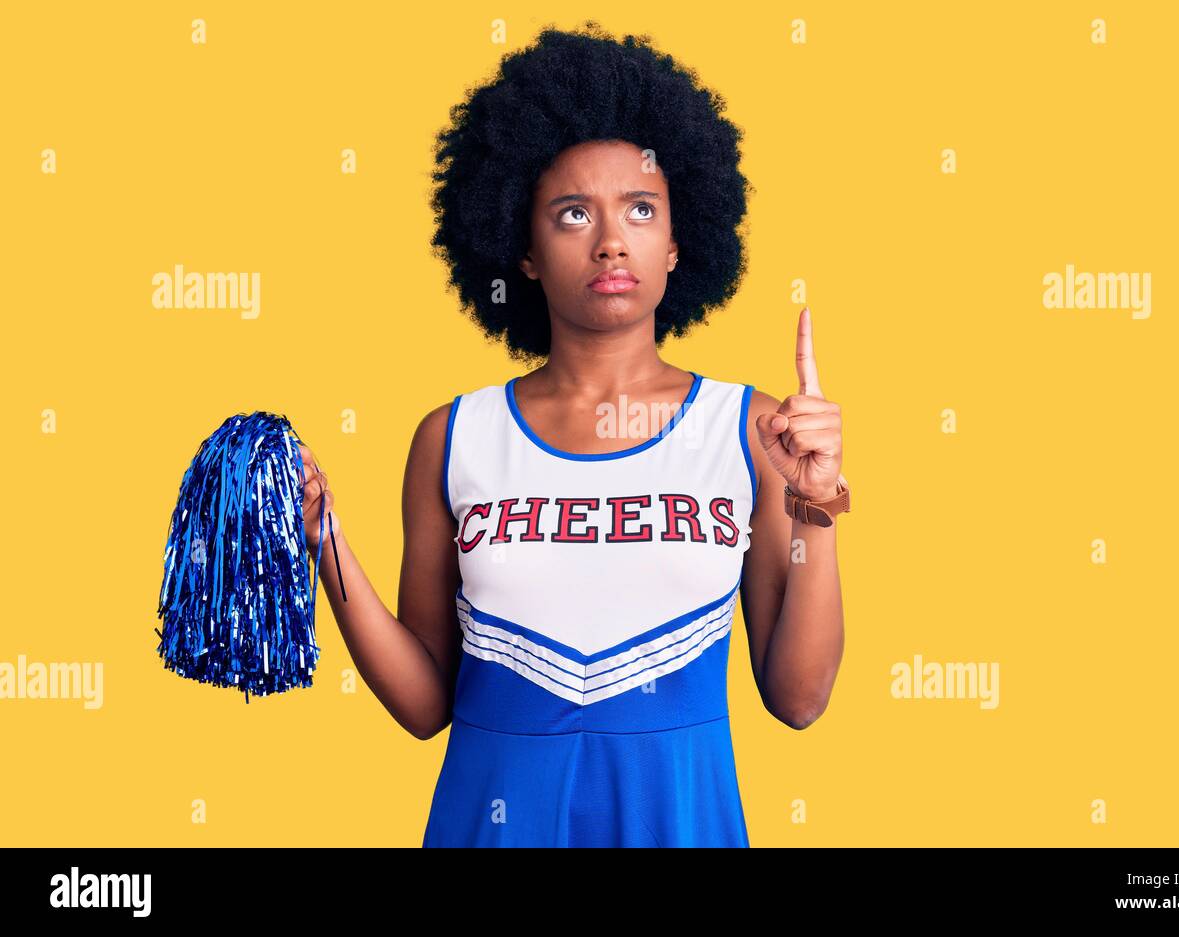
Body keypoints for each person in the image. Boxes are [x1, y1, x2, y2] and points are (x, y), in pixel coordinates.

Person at [296, 22, 848, 847]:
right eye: (571, 213)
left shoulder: (752, 429)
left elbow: (799, 699)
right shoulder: (454, 437)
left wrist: (814, 506)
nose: (610, 240)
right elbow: (422, 706)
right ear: (522, 250)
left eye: (639, 208)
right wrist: (324, 541)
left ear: (676, 240)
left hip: (680, 823)